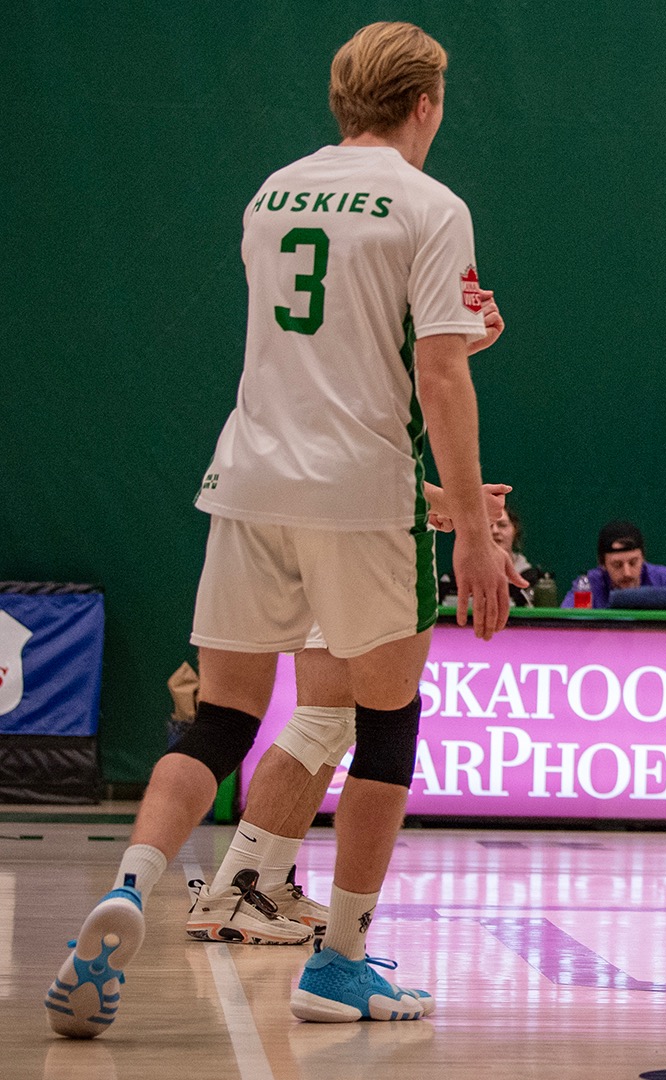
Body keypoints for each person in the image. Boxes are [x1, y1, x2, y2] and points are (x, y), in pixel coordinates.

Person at [46, 21, 517, 1035]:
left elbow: (332, 329)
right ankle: (341, 960)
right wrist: (472, 519)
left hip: (250, 479)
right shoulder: (432, 205)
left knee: (218, 718)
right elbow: (436, 377)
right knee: (387, 718)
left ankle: (132, 883)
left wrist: (448, 326)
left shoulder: (272, 193)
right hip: (360, 493)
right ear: (425, 104)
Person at [186, 485, 511, 948]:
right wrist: (460, 506)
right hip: (341, 537)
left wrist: (440, 505)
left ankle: (266, 884)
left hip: (351, 534)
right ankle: (228, 896)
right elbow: (363, 461)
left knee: (332, 721)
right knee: (320, 721)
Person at [564, 520, 666, 611]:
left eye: (633, 563)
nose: (627, 573)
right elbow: (567, 626)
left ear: (643, 558)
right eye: (617, 565)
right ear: (602, 564)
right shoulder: (587, 585)